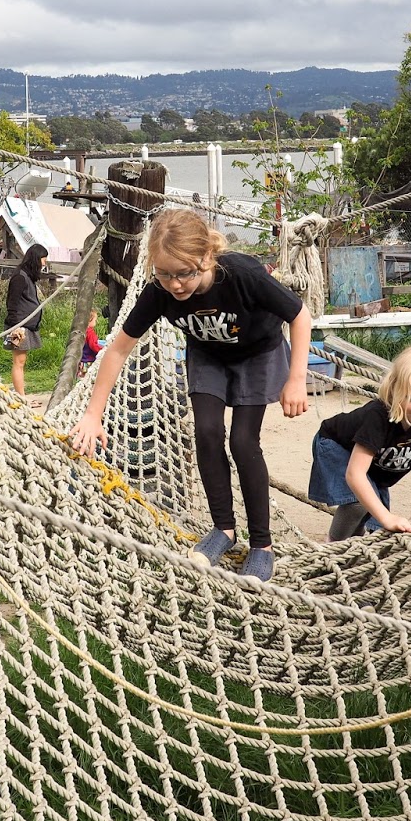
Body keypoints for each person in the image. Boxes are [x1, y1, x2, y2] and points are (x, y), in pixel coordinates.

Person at [69, 208, 311, 582]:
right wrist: (93, 413)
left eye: (185, 273)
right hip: (209, 356)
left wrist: (296, 378)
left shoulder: (241, 274)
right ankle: (224, 530)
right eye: (165, 274)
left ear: (206, 257)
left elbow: (300, 315)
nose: (176, 284)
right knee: (207, 432)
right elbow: (117, 349)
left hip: (257, 355)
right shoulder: (159, 292)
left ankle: (262, 546)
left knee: (244, 442)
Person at [307, 345, 411, 541]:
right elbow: (355, 474)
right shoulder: (377, 418)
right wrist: (387, 517)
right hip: (336, 446)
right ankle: (334, 546)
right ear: (396, 389)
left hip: (373, 465)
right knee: (358, 502)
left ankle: (356, 537)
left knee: (372, 516)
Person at [5, 244, 49, 396]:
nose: (45, 263)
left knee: (22, 362)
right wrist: (15, 328)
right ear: (36, 259)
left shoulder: (27, 276)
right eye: (44, 259)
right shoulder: (19, 277)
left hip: (27, 325)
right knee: (19, 362)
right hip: (19, 326)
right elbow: (12, 303)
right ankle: (21, 398)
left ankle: (21, 395)